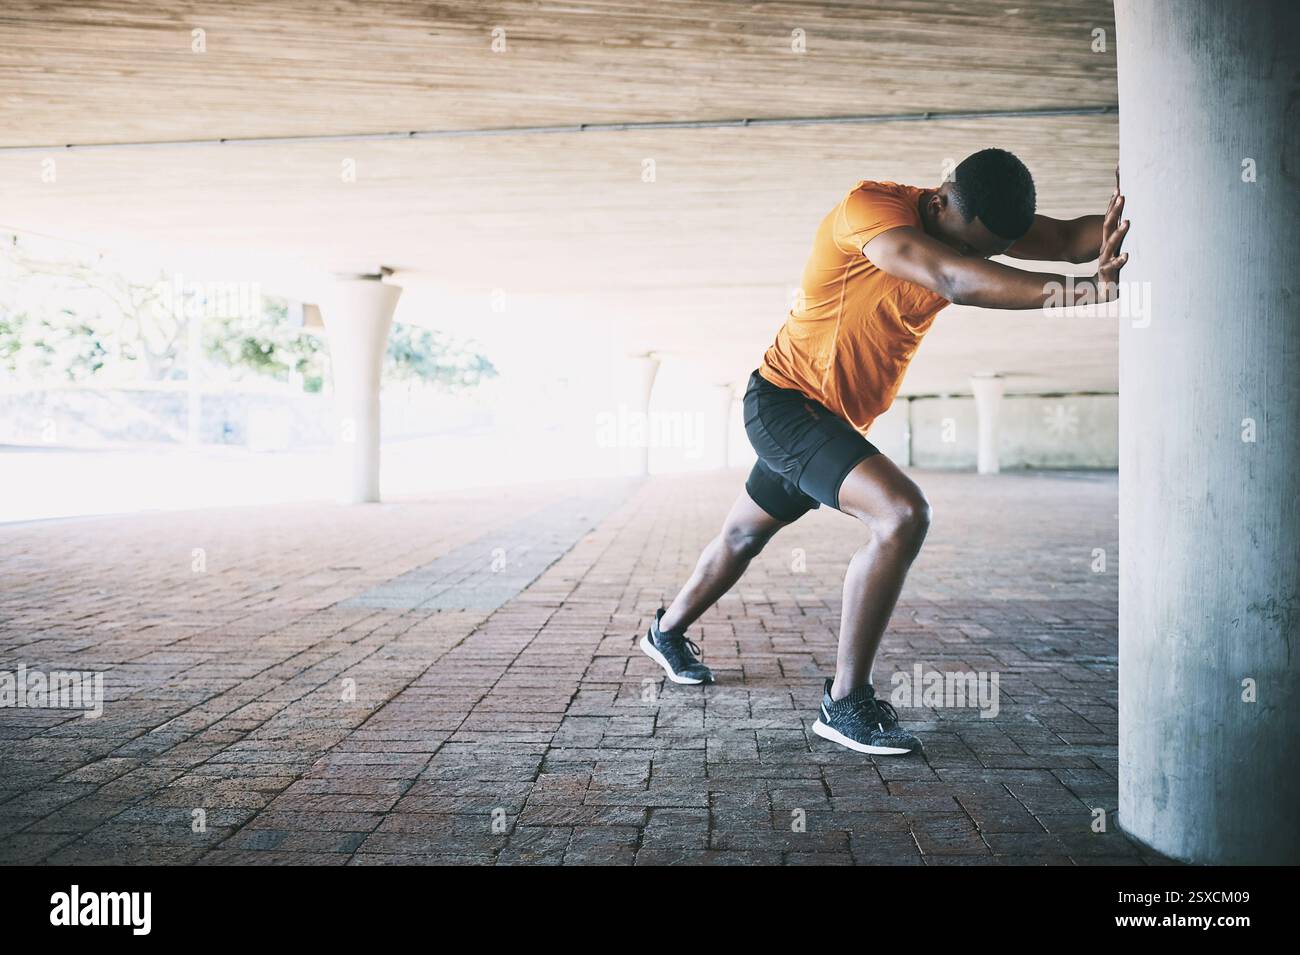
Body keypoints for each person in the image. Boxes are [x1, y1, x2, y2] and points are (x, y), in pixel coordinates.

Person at [640, 149, 1129, 755]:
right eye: (971, 245)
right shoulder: (870, 210)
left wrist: (1141, 192)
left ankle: (665, 631)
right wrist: (1084, 293)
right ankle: (845, 701)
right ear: (942, 201)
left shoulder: (976, 222)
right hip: (787, 405)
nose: (976, 255)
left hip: (831, 421)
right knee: (901, 514)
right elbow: (953, 278)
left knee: (742, 536)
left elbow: (1076, 238)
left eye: (988, 249)